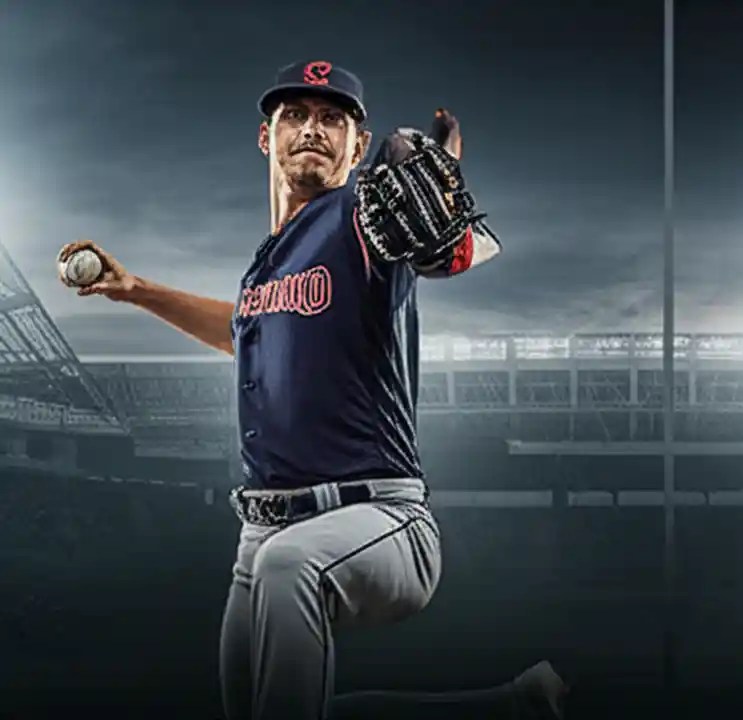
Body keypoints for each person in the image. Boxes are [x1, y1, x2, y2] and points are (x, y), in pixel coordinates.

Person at [58, 60, 567, 720]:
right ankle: (514, 707)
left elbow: (448, 244)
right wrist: (136, 290)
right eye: (294, 115)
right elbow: (244, 329)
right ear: (265, 137)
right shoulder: (265, 265)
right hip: (261, 533)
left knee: (290, 570)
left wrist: (441, 198)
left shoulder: (362, 217)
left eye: (333, 118)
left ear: (359, 147)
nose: (312, 129)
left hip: (377, 518)